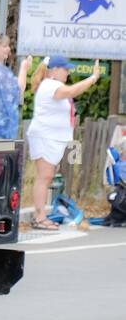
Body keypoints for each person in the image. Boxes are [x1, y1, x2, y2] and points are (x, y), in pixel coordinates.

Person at [27, 55, 102, 230]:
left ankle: (40, 216)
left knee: (46, 177)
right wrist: (92, 78)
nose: (67, 72)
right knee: (44, 177)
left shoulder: (53, 85)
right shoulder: (50, 85)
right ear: (54, 70)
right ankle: (39, 217)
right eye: (65, 69)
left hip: (51, 137)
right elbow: (71, 92)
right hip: (46, 136)